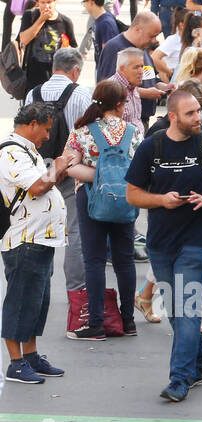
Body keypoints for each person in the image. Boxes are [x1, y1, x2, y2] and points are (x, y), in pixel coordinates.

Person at [125, 89, 202, 402]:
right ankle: (199, 363)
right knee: (176, 310)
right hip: (160, 244)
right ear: (172, 116)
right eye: (190, 113)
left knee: (186, 310)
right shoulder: (152, 147)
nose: (198, 117)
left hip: (197, 243)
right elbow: (133, 194)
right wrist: (161, 200)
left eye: (199, 111)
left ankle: (179, 378)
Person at [1, 103, 73, 386]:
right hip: (24, 240)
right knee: (20, 302)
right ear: (32, 124)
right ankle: (15, 363)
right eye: (45, 129)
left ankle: (30, 356)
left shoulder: (28, 151)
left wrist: (60, 167)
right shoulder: (11, 152)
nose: (46, 136)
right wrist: (58, 166)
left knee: (36, 301)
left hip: (40, 239)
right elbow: (38, 187)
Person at [65, 80, 140, 341]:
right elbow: (140, 169)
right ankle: (128, 321)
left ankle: (95, 324)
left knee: (94, 260)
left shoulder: (82, 132)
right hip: (125, 198)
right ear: (120, 104)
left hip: (91, 199)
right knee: (124, 260)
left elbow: (67, 165)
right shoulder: (133, 131)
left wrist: (98, 175)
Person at [25, 48, 92, 307]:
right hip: (71, 171)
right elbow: (87, 138)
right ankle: (76, 290)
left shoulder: (34, 93)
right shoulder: (81, 94)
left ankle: (41, 287)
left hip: (41, 171)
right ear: (76, 70)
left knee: (41, 230)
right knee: (75, 231)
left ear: (54, 67)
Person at [17, 0, 77, 93]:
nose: (46, 6)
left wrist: (65, 49)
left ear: (55, 2)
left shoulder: (65, 22)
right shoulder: (30, 16)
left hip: (55, 80)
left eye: (49, 2)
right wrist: (41, 19)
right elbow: (24, 40)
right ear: (38, 3)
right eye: (43, 2)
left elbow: (73, 51)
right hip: (32, 79)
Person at [83, 0, 122, 64]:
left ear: (91, 2)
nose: (84, 5)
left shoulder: (106, 24)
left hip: (105, 70)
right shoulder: (98, 18)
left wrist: (102, 71)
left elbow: (108, 55)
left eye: (84, 2)